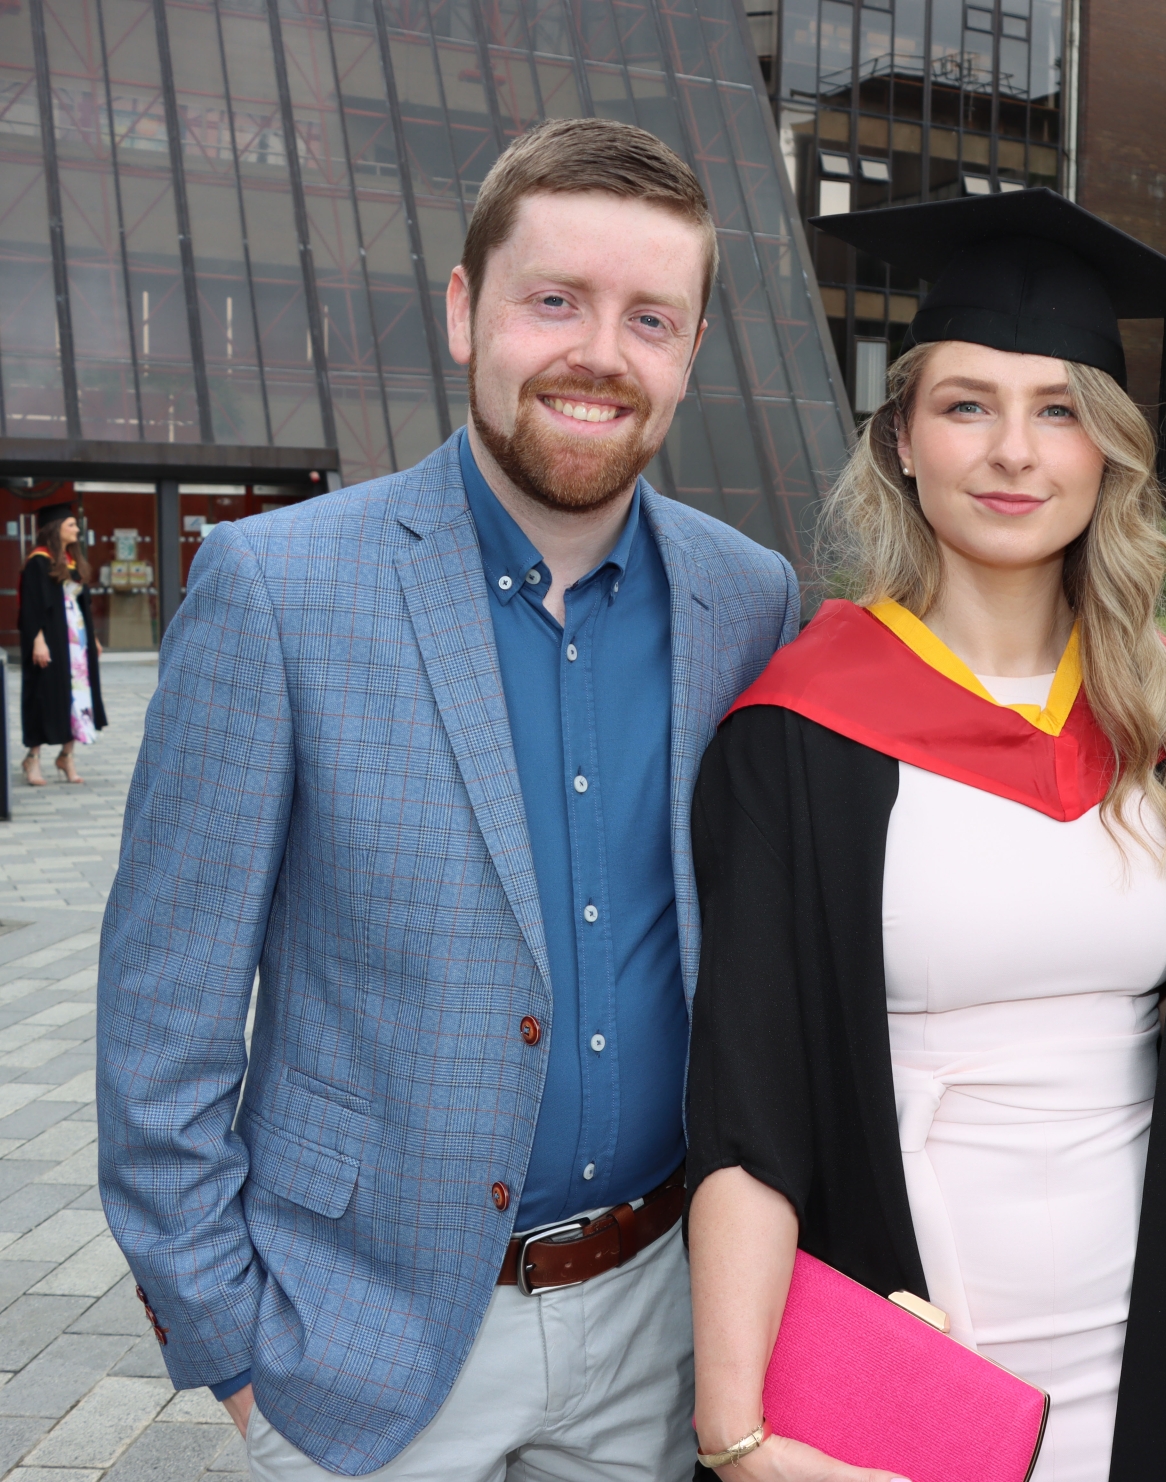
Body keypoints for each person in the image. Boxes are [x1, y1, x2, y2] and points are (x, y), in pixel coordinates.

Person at [96, 118, 798, 1481]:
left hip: (654, 1326)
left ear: (694, 351)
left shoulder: (745, 598)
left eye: (651, 317)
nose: (601, 352)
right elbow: (162, 1019)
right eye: (555, 300)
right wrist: (235, 1351)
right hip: (356, 1347)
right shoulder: (276, 591)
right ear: (467, 312)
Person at [684, 190, 1166, 1482]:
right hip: (918, 1321)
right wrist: (736, 1428)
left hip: (1155, 1318)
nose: (1014, 451)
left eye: (1058, 408)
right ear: (901, 436)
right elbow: (746, 1103)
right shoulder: (799, 729)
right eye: (966, 404)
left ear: (1108, 446)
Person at [18, 505, 105, 786]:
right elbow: (30, 606)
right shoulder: (38, 561)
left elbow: (82, 602)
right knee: (44, 694)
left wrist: (92, 639)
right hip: (51, 639)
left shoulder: (71, 561)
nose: (77, 530)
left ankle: (67, 755)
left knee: (77, 696)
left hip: (75, 641)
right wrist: (37, 640)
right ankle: (33, 758)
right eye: (71, 525)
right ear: (55, 528)